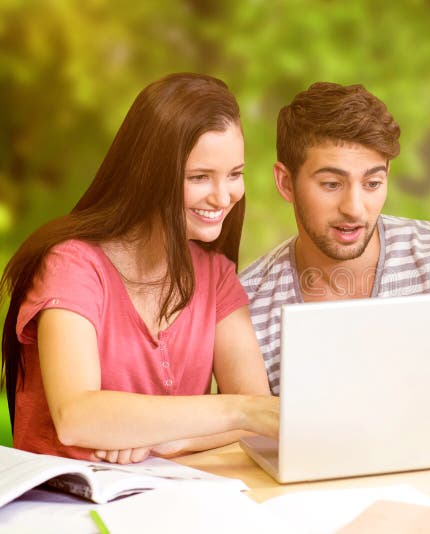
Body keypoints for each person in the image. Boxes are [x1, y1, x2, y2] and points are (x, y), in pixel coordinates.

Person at [1, 73, 278, 464]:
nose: (223, 195)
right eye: (199, 177)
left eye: (234, 174)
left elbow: (261, 412)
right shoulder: (73, 266)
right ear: (150, 175)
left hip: (166, 502)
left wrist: (171, 440)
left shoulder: (216, 276)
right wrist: (239, 411)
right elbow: (77, 417)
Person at [239, 82, 430, 395]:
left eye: (372, 183)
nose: (354, 209)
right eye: (331, 184)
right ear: (286, 183)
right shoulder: (247, 307)